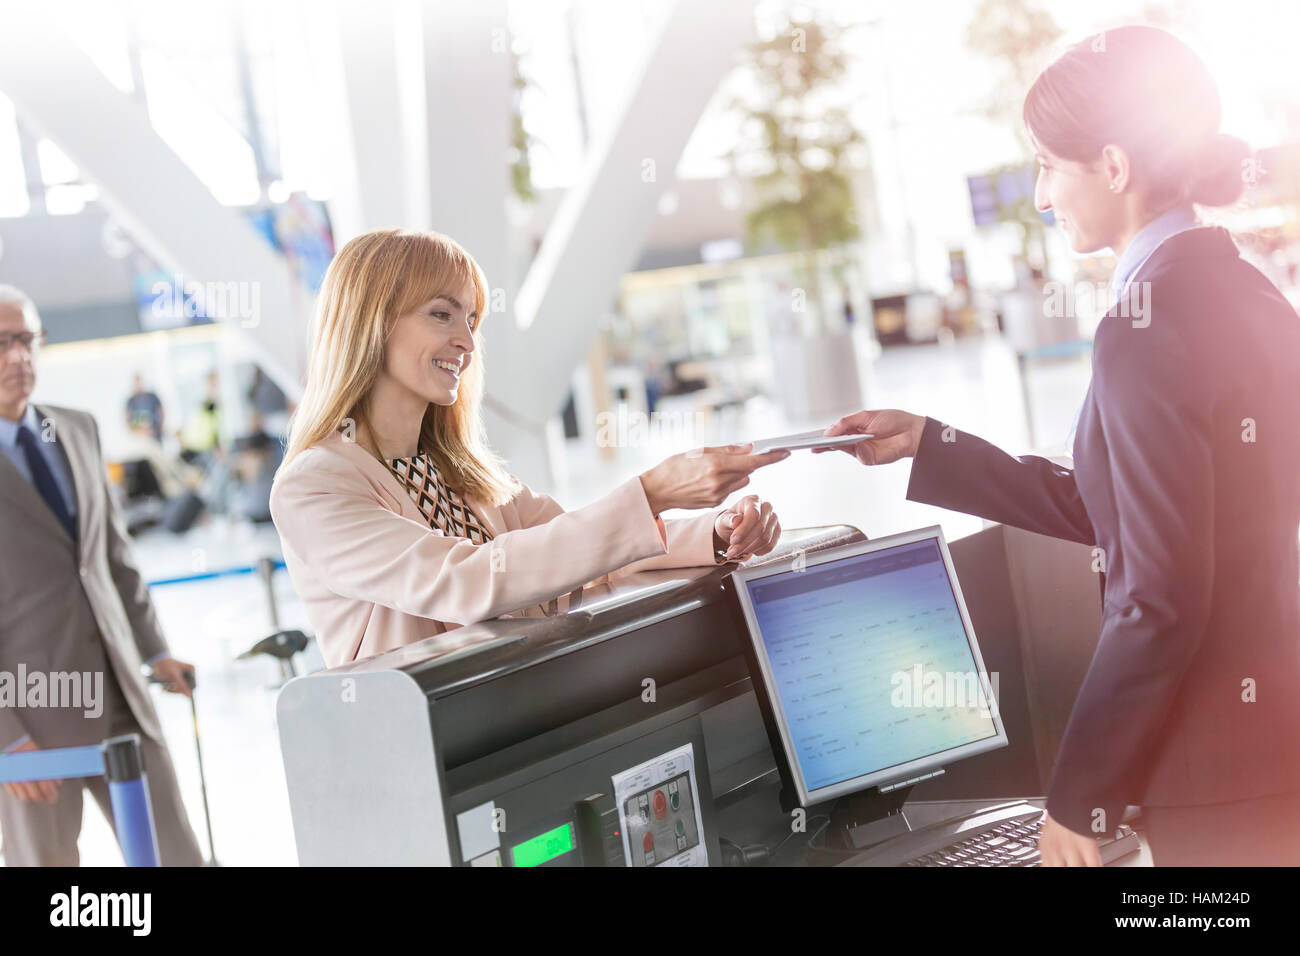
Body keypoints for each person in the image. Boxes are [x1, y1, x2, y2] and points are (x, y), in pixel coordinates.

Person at [821, 25, 1300, 866]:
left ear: (1114, 168)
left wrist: (1080, 796)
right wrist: (934, 443)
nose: (1041, 196)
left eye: (1047, 165)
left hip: (1210, 781)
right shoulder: (1247, 293)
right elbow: (1130, 511)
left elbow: (1160, 592)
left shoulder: (1144, 328)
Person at [270, 230, 788, 667]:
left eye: (471, 320)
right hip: (428, 761)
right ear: (372, 322)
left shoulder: (458, 471)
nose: (468, 343)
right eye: (441, 315)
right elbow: (465, 580)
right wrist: (650, 493)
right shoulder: (315, 485)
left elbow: (588, 555)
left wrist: (718, 535)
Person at [0, 284, 204, 866]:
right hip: (31, 718)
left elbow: (113, 559)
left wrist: (155, 650)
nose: (20, 357)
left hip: (122, 695)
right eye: (2, 343)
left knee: (174, 855)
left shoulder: (78, 429)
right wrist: (4, 737)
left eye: (28, 340)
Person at [125, 372, 164, 443]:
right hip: (140, 439)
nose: (138, 384)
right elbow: (128, 419)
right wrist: (138, 432)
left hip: (155, 435)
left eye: (140, 381)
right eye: (136, 381)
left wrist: (158, 428)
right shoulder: (131, 401)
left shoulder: (152, 397)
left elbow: (161, 412)